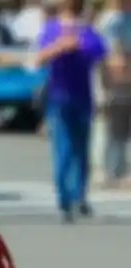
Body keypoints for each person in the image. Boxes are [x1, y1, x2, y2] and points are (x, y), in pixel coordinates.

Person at [34, 0, 106, 221]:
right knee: (65, 147)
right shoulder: (52, 30)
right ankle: (67, 198)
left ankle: (78, 196)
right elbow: (38, 59)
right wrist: (60, 46)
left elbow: (100, 54)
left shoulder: (87, 31)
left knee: (80, 148)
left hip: (80, 96)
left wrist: (79, 45)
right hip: (61, 95)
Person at [97, 0, 131, 187]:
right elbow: (115, 61)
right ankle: (110, 170)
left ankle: (119, 170)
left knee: (122, 130)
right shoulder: (112, 21)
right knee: (114, 129)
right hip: (115, 87)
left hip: (122, 85)